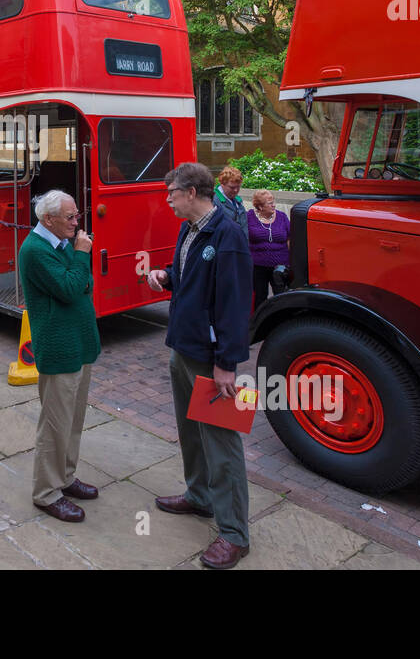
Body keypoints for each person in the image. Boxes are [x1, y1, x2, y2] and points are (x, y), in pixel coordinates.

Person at [145, 161, 253, 569]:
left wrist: (228, 363)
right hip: (183, 348)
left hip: (212, 360)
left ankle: (235, 534)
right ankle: (199, 497)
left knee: (223, 444)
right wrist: (167, 276)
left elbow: (234, 305)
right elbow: (188, 275)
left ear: (192, 192)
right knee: (191, 433)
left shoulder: (227, 235)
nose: (167, 199)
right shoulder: (190, 229)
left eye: (171, 192)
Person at [18, 189, 101, 523]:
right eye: (70, 217)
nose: (76, 222)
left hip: (79, 345)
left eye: (77, 215)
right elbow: (70, 287)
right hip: (59, 348)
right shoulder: (35, 250)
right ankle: (46, 492)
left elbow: (86, 283)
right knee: (55, 424)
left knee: (74, 421)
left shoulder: (60, 244)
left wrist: (77, 270)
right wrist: (81, 257)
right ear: (47, 219)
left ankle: (65, 477)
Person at [246, 189, 290, 310]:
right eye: (270, 203)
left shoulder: (282, 216)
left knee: (282, 297)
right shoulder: (249, 217)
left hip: (280, 266)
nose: (274, 205)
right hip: (258, 266)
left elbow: (291, 239)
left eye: (273, 201)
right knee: (260, 297)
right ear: (260, 206)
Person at [214, 166, 249, 238]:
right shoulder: (213, 201)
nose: (236, 190)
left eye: (238, 187)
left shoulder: (238, 200)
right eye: (232, 187)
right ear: (222, 184)